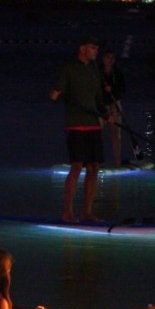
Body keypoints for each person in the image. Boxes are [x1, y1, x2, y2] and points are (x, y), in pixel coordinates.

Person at [49, 36, 109, 223]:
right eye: (93, 47)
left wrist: (106, 113)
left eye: (97, 48)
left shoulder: (94, 70)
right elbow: (54, 95)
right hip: (75, 124)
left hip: (93, 124)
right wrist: (59, 95)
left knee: (94, 167)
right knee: (77, 165)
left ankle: (87, 212)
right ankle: (67, 212)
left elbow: (99, 99)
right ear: (83, 48)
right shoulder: (69, 68)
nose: (96, 51)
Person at [100, 49, 127, 166]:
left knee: (116, 133)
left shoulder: (117, 72)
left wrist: (112, 89)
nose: (110, 61)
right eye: (107, 58)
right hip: (101, 105)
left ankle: (117, 160)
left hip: (114, 104)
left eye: (112, 58)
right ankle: (95, 161)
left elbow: (123, 89)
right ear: (103, 58)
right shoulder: (97, 71)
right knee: (97, 133)